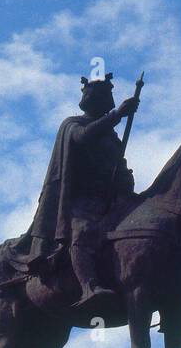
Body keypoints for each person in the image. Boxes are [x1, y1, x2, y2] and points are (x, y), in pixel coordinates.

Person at [28, 73, 139, 309]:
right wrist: (118, 115)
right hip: (80, 200)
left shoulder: (110, 136)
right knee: (83, 231)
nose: (110, 102)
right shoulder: (73, 124)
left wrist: (125, 180)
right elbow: (82, 138)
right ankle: (89, 287)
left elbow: (117, 164)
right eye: (106, 98)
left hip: (111, 199)